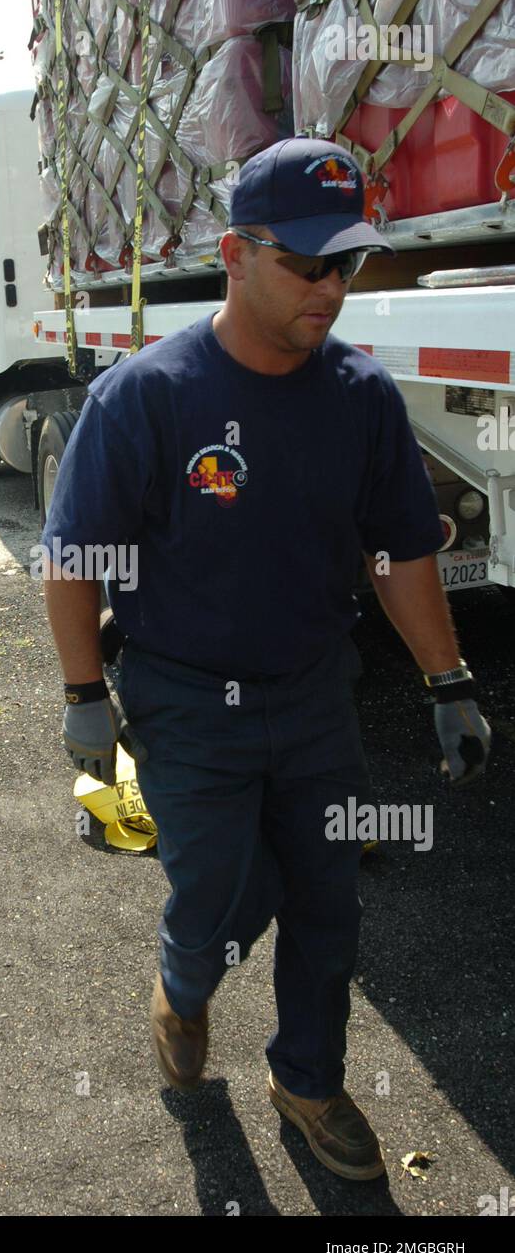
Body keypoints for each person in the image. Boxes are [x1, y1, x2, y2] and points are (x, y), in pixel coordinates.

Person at [38, 137, 491, 1182]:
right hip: (185, 702)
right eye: (307, 263)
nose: (332, 288)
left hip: (315, 692)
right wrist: (82, 695)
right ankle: (180, 988)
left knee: (328, 900)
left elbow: (399, 552)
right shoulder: (148, 396)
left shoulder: (361, 397)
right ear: (237, 254)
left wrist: (448, 680)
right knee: (221, 902)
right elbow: (74, 559)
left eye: (349, 265)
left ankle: (309, 1079)